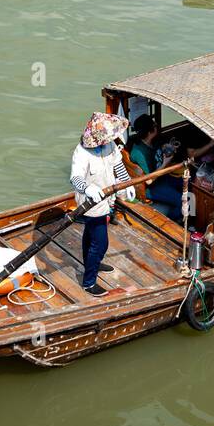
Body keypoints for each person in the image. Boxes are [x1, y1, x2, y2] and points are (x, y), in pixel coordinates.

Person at [70, 112, 136, 295]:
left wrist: (127, 184)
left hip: (107, 197)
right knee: (100, 243)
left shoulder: (109, 145)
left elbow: (118, 165)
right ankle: (89, 282)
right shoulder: (81, 152)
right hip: (91, 201)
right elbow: (75, 178)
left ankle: (93, 263)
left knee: (90, 234)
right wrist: (87, 189)